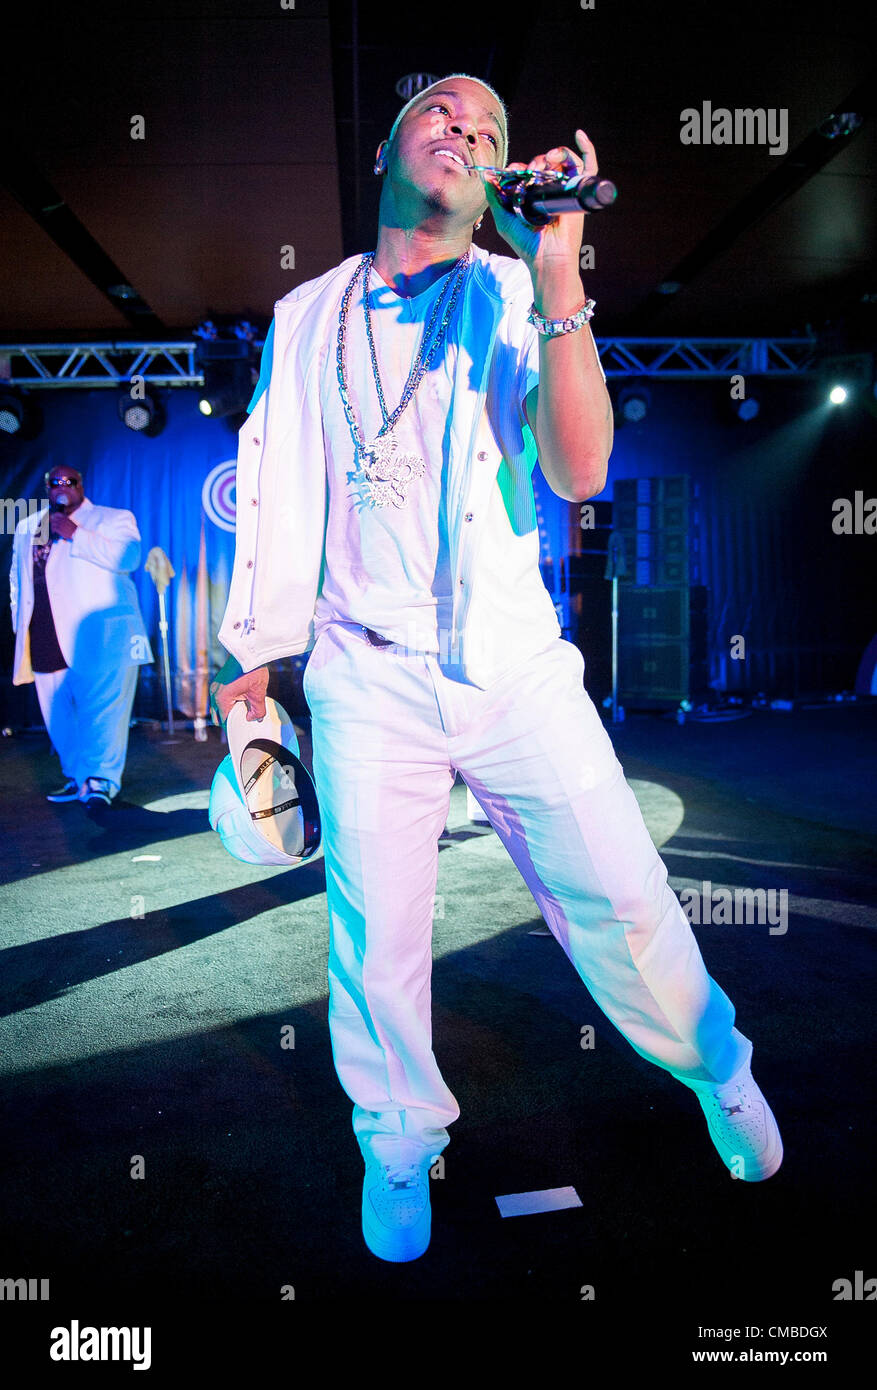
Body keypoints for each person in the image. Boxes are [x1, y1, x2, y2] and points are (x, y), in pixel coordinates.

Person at [211, 75, 782, 1263]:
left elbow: (578, 473)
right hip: (365, 673)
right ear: (384, 145)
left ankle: (714, 1066)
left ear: (501, 176)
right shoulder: (306, 312)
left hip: (512, 665)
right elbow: (271, 482)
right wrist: (253, 656)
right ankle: (399, 1142)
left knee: (620, 895)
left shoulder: (516, 289)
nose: (466, 128)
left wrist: (562, 267)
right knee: (375, 943)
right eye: (444, 111)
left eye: (490, 128)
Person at [9, 467, 153, 805]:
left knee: (103, 712)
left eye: (69, 482)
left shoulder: (112, 518)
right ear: (46, 488)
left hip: (99, 637)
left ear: (81, 486)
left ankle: (101, 780)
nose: (62, 487)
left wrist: (76, 534)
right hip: (43, 633)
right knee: (58, 717)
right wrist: (20, 623)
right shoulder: (28, 526)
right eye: (55, 483)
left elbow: (129, 558)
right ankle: (77, 777)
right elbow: (17, 577)